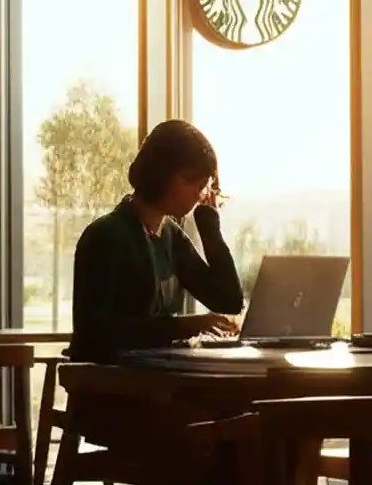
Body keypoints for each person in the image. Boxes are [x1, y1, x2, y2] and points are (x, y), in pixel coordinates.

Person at [70, 120, 245, 359]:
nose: (198, 193)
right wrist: (183, 326)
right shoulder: (105, 236)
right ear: (160, 174)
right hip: (113, 387)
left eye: (203, 186)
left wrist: (208, 223)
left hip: (156, 381)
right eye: (190, 181)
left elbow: (228, 300)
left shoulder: (169, 236)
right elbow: (94, 334)